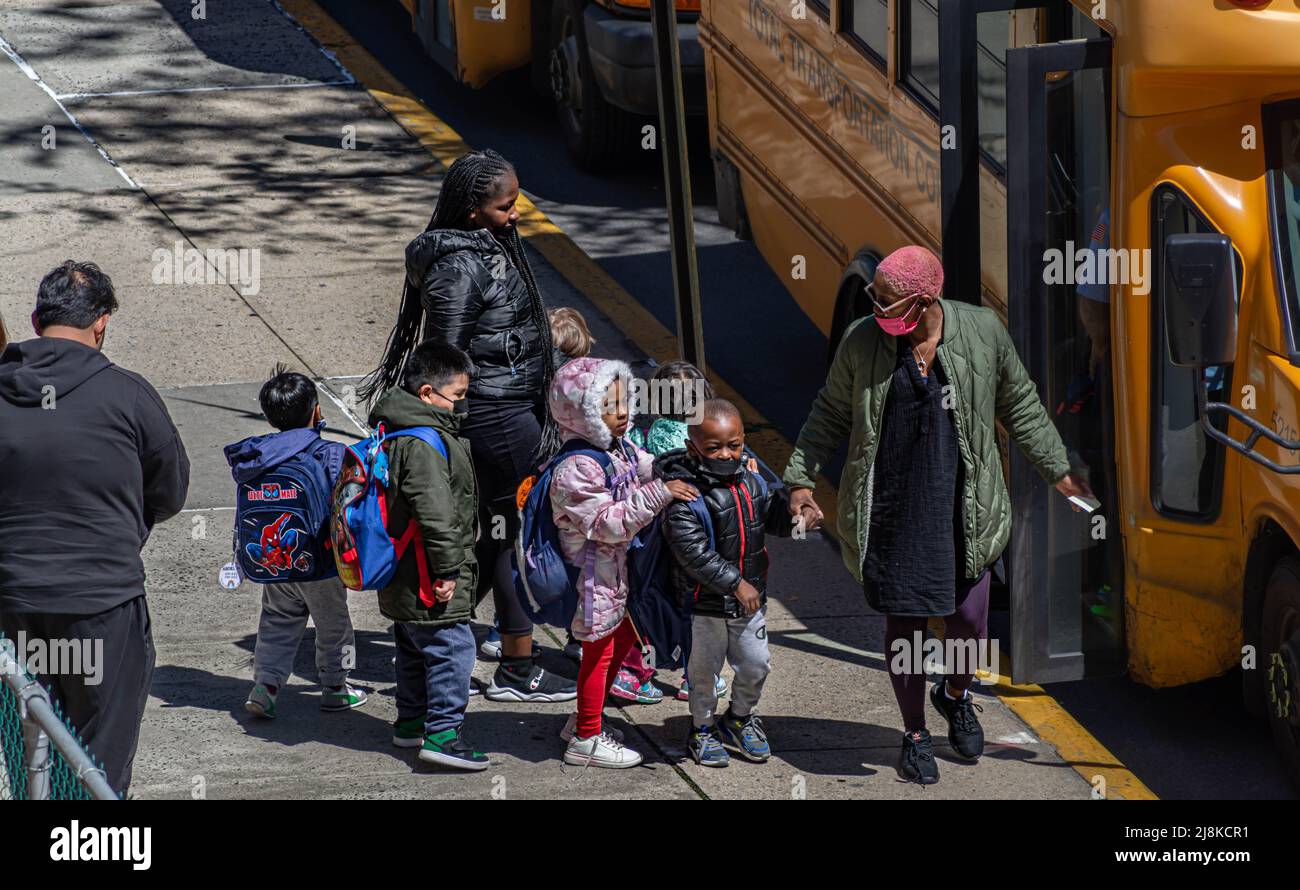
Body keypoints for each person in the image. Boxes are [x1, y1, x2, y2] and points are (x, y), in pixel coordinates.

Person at [783, 245, 1092, 785]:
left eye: (888, 302)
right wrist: (801, 480)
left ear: (926, 300)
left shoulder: (982, 331)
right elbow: (829, 412)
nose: (877, 311)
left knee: (969, 623)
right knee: (904, 631)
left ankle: (954, 693)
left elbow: (1019, 402)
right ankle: (915, 733)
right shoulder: (863, 341)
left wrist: (1058, 470)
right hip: (893, 511)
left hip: (963, 508)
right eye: (874, 299)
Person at [363, 149, 575, 704]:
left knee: (497, 529)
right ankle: (516, 665)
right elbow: (445, 352)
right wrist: (452, 424)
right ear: (474, 212)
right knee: (513, 531)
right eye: (507, 205)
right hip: (495, 415)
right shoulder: (459, 267)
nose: (518, 212)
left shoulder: (489, 244)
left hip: (510, 406)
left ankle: (446, 624)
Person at [0, 261, 190, 795]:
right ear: (101, 323)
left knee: (30, 740)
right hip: (102, 606)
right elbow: (170, 492)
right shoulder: (128, 395)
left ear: (37, 319)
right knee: (98, 760)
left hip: (12, 604)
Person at [546, 357, 697, 768]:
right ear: (581, 412)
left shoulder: (618, 445)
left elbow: (643, 466)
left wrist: (677, 469)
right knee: (599, 652)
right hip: (594, 578)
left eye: (624, 401)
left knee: (625, 641)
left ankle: (584, 720)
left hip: (621, 574)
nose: (624, 412)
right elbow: (606, 524)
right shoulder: (576, 467)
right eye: (610, 406)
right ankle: (586, 739)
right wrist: (659, 494)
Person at [370, 340, 489, 770]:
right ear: (426, 394)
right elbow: (437, 515)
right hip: (427, 570)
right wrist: (450, 570)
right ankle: (442, 736)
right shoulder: (424, 443)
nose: (462, 404)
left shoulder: (395, 430)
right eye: (456, 396)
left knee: (413, 645)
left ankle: (409, 724)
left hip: (401, 570)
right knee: (452, 649)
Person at [225, 366, 366, 719]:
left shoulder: (257, 457)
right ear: (316, 411)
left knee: (276, 619)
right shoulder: (329, 453)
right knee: (334, 624)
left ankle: (266, 686)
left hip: (273, 561)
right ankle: (335, 687)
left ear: (270, 417)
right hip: (318, 562)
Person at [656, 399, 792, 767]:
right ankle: (702, 728)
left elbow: (772, 520)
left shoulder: (753, 481)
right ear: (692, 448)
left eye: (734, 445)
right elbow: (693, 554)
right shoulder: (685, 496)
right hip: (704, 609)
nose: (726, 454)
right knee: (703, 676)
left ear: (744, 440)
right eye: (713, 447)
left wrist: (798, 515)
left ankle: (739, 717)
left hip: (749, 607)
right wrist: (736, 584)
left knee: (756, 665)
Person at [619, 360, 727, 705]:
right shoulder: (703, 438)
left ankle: (635, 673)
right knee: (694, 606)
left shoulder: (639, 435)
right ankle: (693, 678)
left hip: (650, 537)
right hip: (694, 536)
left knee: (647, 602)